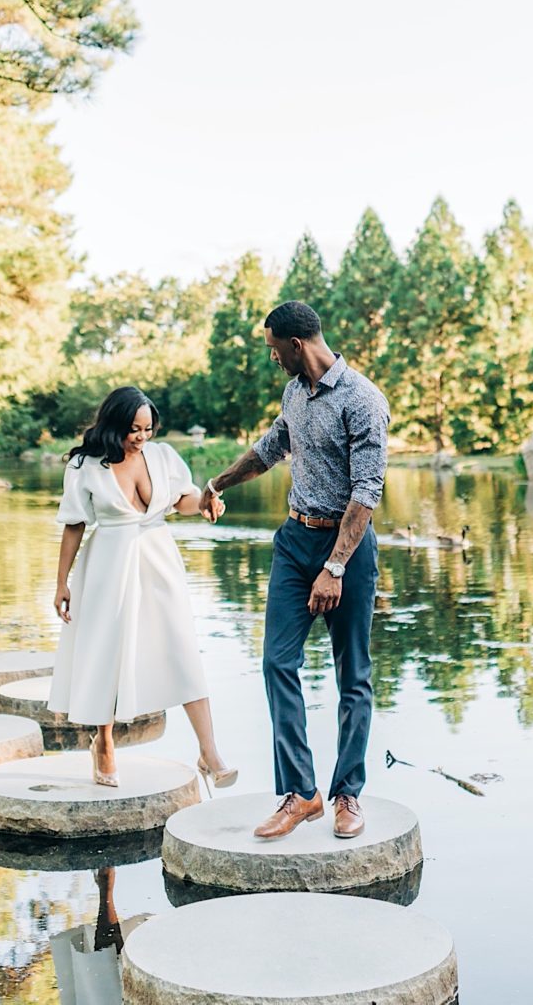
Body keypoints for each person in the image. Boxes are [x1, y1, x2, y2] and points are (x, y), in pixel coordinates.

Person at [201, 300, 388, 840]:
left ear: (296, 344)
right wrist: (218, 483)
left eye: (273, 349)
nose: (273, 359)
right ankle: (301, 794)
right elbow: (268, 450)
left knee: (353, 675)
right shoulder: (294, 394)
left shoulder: (363, 400)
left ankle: (347, 793)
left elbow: (367, 491)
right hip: (293, 541)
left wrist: (335, 566)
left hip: (346, 551)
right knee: (276, 663)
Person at [48, 385, 236, 790]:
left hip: (158, 560)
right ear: (115, 423)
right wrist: (61, 582)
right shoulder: (86, 465)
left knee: (181, 648)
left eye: (148, 429)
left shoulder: (162, 456)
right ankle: (104, 742)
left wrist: (203, 503)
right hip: (107, 565)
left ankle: (210, 751)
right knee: (106, 655)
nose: (141, 437)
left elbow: (181, 500)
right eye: (134, 429)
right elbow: (74, 524)